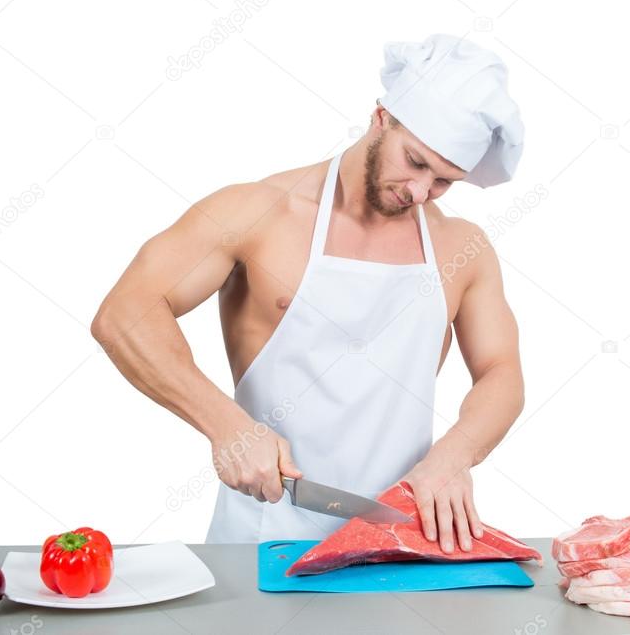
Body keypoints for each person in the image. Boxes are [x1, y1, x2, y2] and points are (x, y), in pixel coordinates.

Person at [92, 34, 526, 553]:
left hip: (399, 542)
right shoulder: (257, 212)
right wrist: (226, 425)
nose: (418, 192)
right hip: (261, 543)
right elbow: (125, 313)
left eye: (442, 181)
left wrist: (453, 457)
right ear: (381, 118)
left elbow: (501, 371)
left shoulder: (462, 248)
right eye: (414, 161)